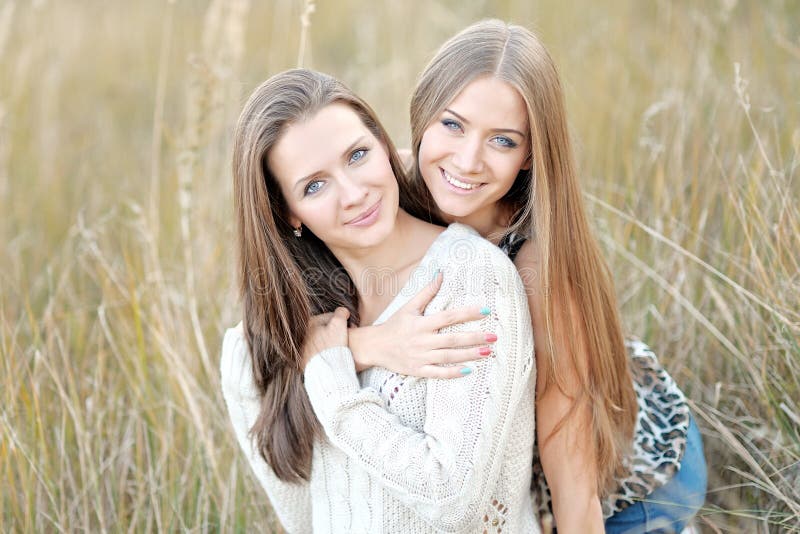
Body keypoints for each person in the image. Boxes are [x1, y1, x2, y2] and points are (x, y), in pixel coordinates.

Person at [346, 19, 707, 533]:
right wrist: (371, 345)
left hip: (633, 482)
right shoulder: (385, 189)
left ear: (531, 152)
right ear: (422, 116)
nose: (467, 161)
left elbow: (576, 487)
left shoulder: (535, 267)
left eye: (503, 140)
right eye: (452, 125)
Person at [220, 68, 540, 533]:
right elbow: (305, 518)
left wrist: (334, 388)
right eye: (315, 185)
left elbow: (453, 498)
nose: (353, 194)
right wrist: (355, 349)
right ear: (288, 213)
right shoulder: (280, 341)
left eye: (357, 155)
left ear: (386, 149)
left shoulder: (470, 279)